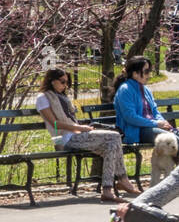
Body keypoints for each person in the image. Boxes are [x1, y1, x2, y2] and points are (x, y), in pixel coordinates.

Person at [36, 68, 139, 203]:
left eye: (67, 82)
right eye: (62, 82)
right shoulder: (43, 97)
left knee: (111, 146)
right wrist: (79, 128)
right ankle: (123, 181)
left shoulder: (62, 96)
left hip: (76, 135)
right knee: (114, 137)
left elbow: (69, 119)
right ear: (51, 80)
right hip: (64, 138)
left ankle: (107, 190)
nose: (65, 85)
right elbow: (55, 124)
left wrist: (83, 127)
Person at [111, 56, 179, 156]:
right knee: (172, 139)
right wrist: (156, 124)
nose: (149, 75)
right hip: (136, 131)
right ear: (135, 74)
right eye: (146, 71)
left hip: (150, 127)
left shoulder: (145, 89)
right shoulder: (125, 90)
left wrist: (164, 124)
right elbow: (130, 117)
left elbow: (155, 112)